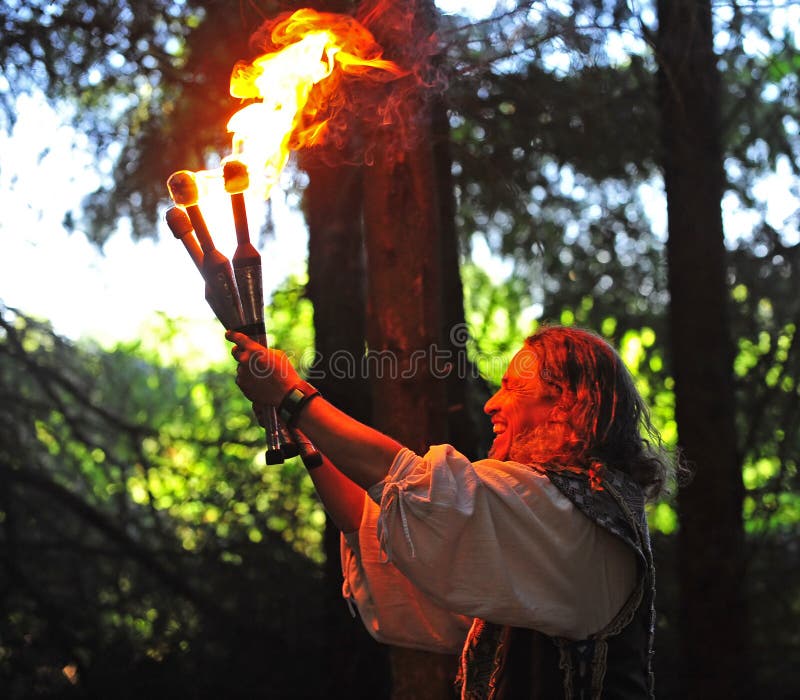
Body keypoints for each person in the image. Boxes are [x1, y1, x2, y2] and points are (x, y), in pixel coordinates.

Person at [226, 325, 675, 699]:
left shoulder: (575, 514)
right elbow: (370, 520)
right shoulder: (548, 518)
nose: (491, 404)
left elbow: (417, 489)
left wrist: (293, 396)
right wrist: (300, 430)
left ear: (565, 406)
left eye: (513, 388)